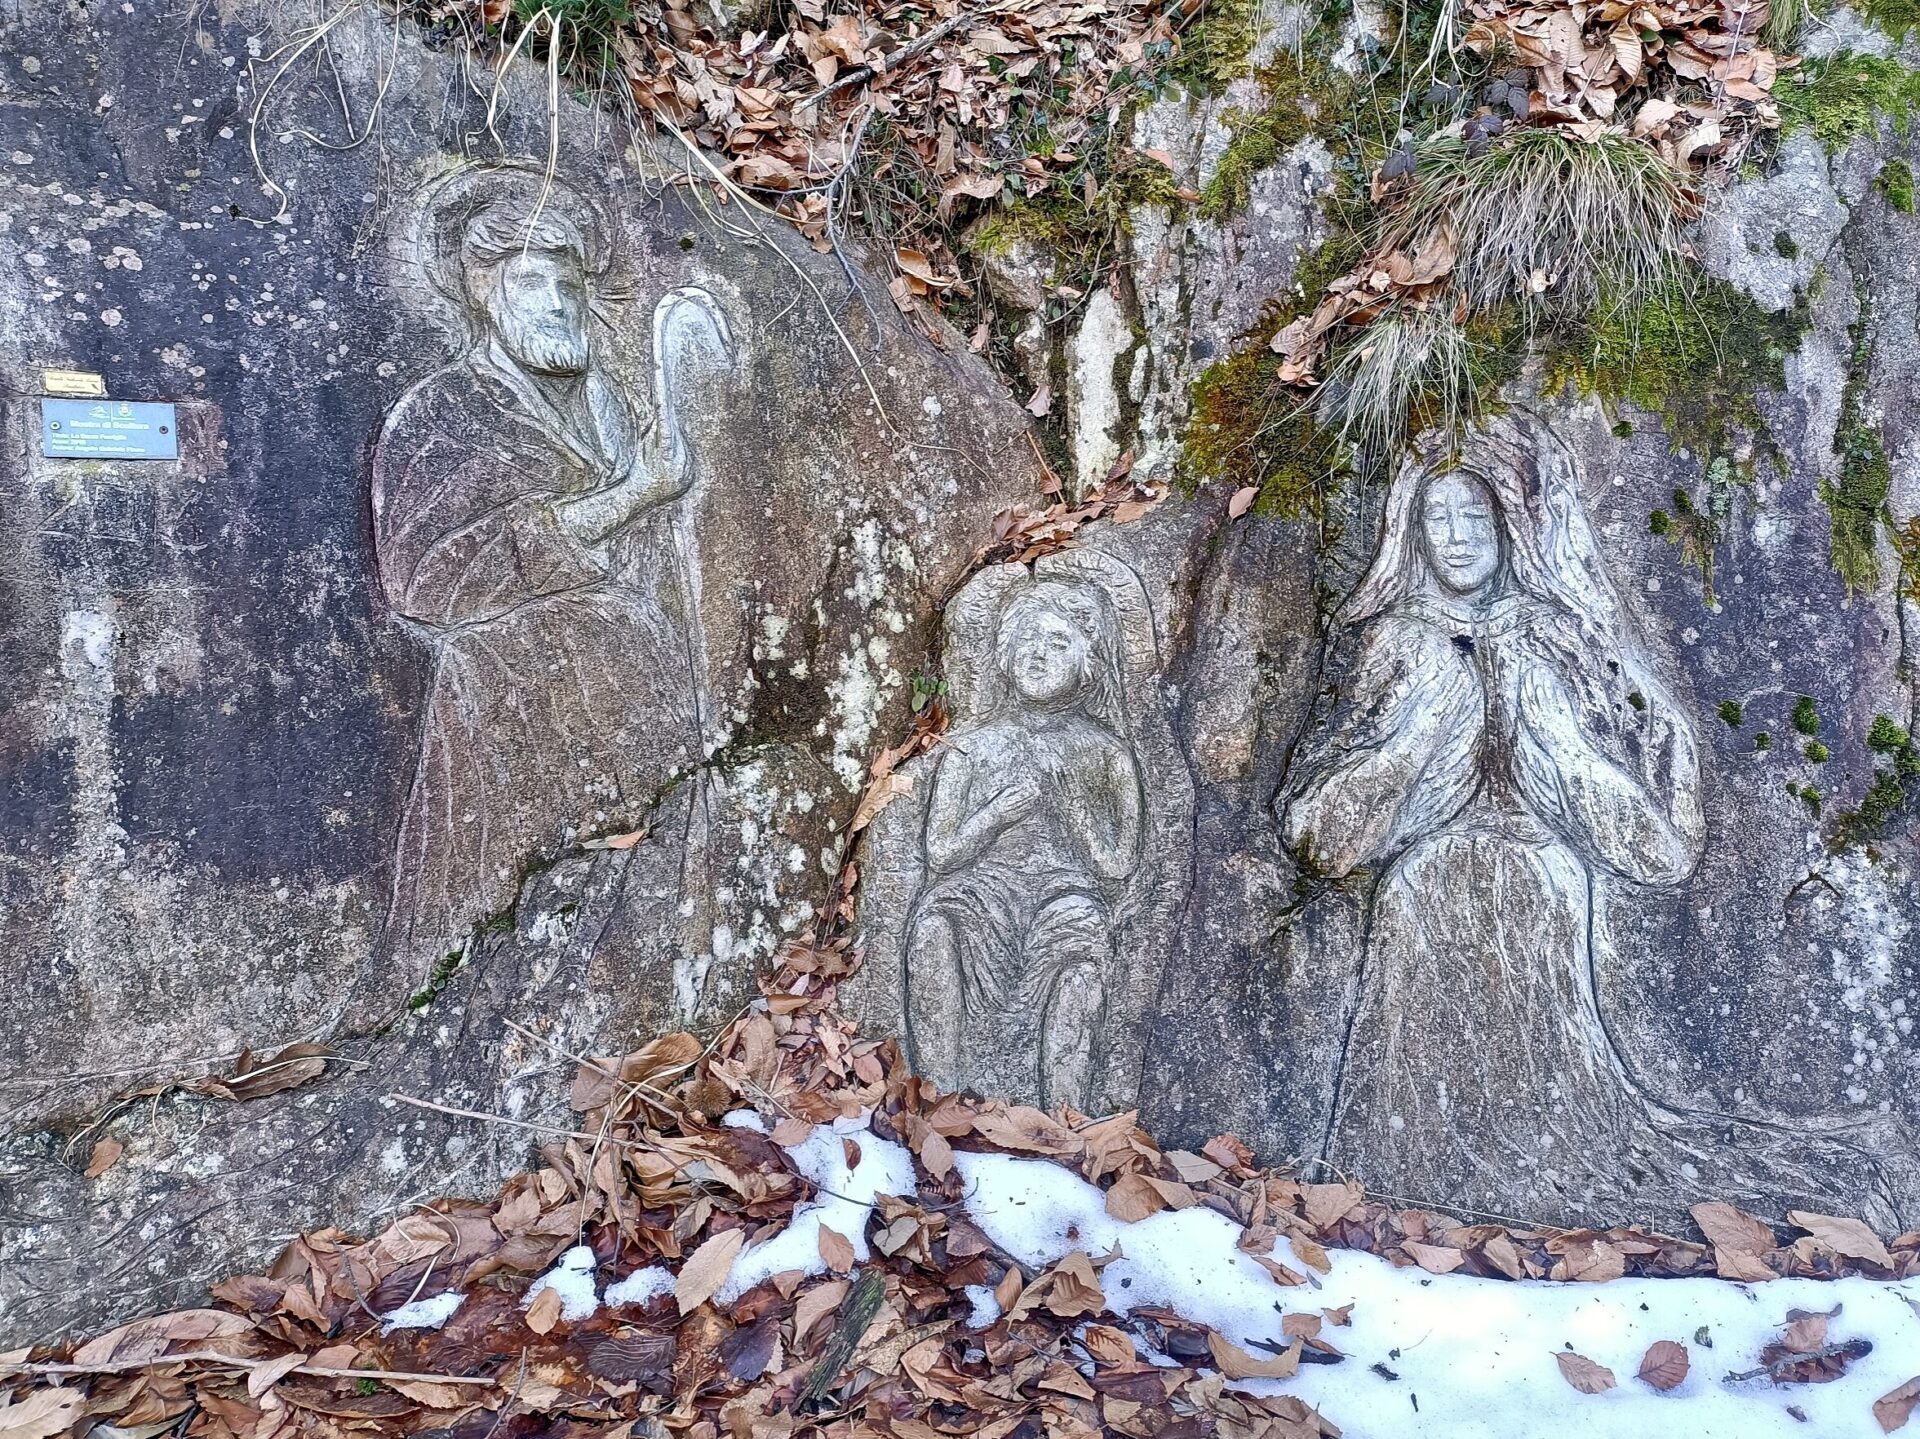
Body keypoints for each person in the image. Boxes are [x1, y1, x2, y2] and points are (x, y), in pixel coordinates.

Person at [1279, 418, 1903, 1225]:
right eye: (1437, 517)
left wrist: (1561, 746)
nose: (1457, 537)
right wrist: (1417, 734)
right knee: (1428, 899)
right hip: (1421, 898)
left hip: (1543, 893)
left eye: (1474, 515)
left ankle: (1547, 1162)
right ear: (1412, 531)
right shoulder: (1390, 643)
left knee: (1536, 902)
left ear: (1512, 522)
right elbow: (1319, 840)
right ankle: (1399, 1173)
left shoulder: (1559, 639)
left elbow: (1657, 850)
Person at [370, 174, 709, 999]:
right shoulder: (441, 416)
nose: (557, 303)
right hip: (509, 714)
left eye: (569, 284)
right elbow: (425, 581)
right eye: (531, 281)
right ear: (483, 292)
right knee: (499, 951)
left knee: (638, 942)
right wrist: (633, 494)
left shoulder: (608, 406)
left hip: (633, 700)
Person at [904, 581, 1145, 1109]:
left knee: (1084, 942)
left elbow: (1117, 866)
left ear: (1088, 663)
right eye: (1028, 640)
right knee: (932, 925)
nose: (1039, 654)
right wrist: (997, 813)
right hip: (981, 893)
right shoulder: (972, 747)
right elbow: (940, 853)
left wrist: (1074, 811)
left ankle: (1065, 1113)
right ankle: (938, 1098)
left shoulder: (1106, 753)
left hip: (1063, 896)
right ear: (1005, 653)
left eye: (1058, 644)